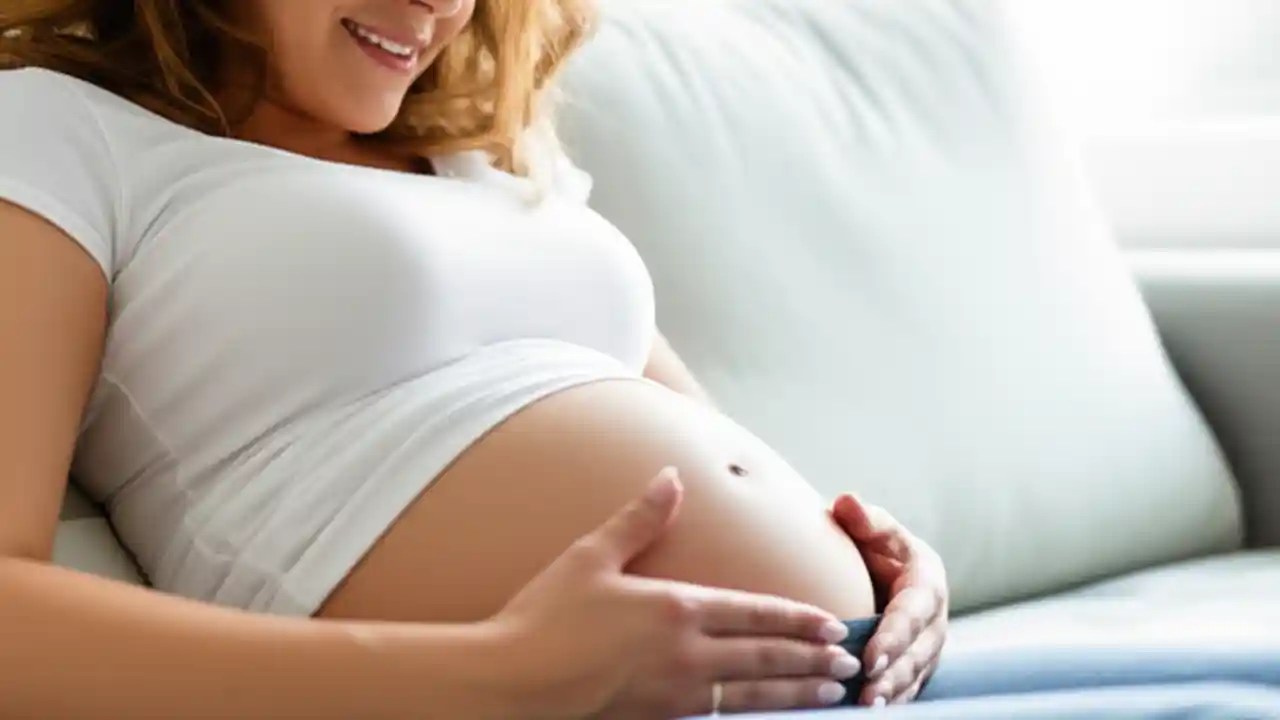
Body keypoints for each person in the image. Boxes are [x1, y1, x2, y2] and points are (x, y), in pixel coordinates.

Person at [0, 1, 948, 717]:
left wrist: (890, 564)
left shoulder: (488, 158)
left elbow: (700, 437)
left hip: (856, 676)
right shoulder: (57, 129)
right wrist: (507, 673)